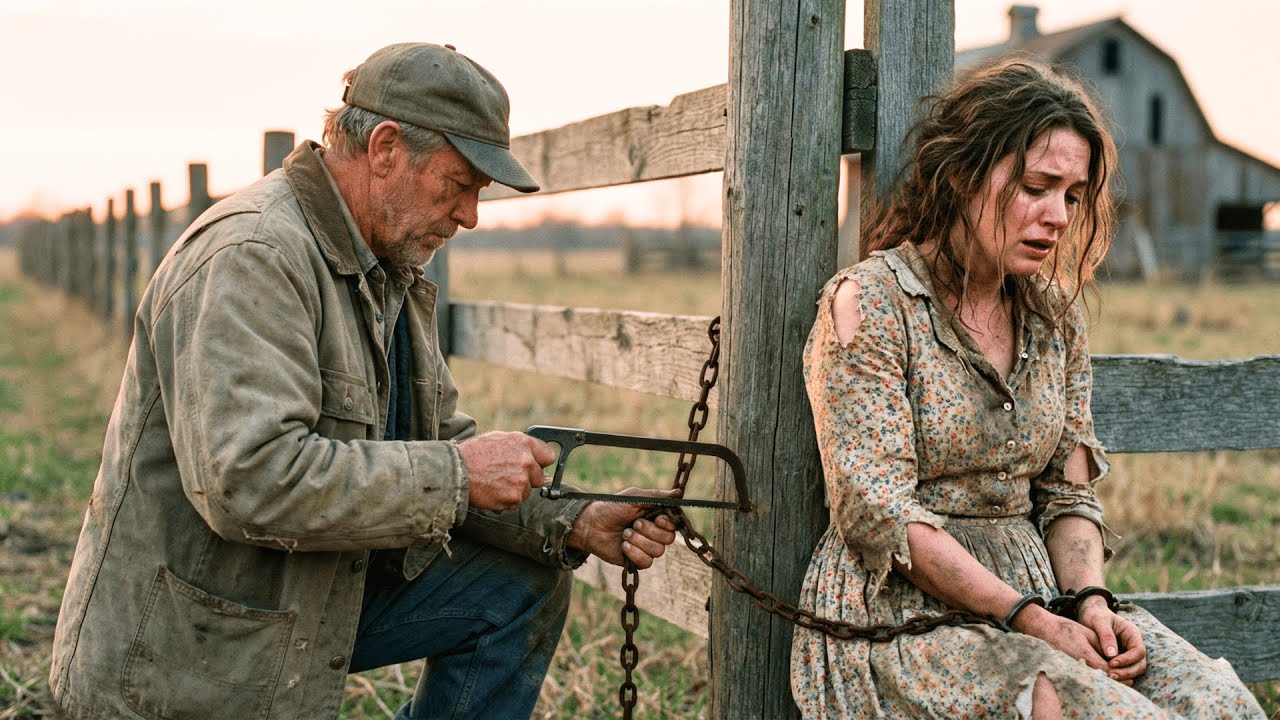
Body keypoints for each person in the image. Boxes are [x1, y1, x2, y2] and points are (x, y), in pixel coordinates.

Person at [49, 42, 678, 720]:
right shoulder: (253, 255)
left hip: (298, 595)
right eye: (459, 184)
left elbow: (438, 444)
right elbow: (249, 482)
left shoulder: (385, 268)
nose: (469, 215)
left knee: (517, 585)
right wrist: (458, 474)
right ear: (384, 149)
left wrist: (573, 520)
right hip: (186, 653)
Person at [790, 60, 1265, 719]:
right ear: (961, 176)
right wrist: (1029, 620)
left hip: (1045, 600)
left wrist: (1090, 603)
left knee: (1218, 702)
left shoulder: (1052, 319)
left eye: (1072, 196)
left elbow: (1068, 493)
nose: (1059, 216)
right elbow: (880, 513)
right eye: (1037, 187)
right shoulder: (871, 303)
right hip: (903, 615)